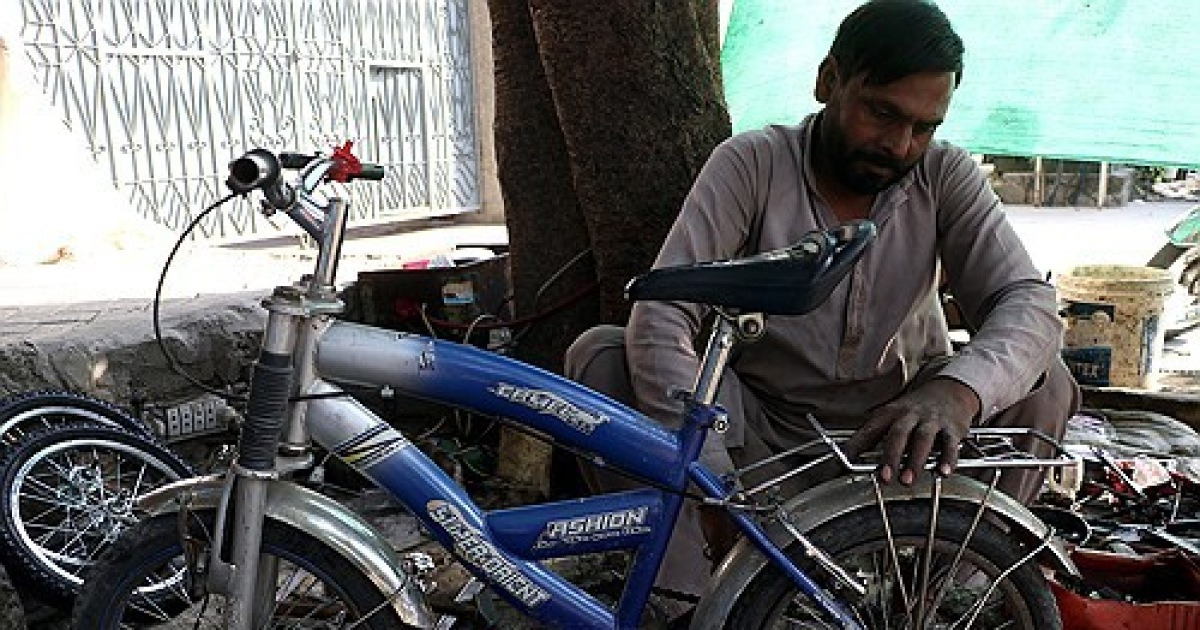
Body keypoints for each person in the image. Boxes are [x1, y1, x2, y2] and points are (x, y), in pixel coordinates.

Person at [564, 0, 1080, 601]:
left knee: (1046, 383)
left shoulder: (944, 176)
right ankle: (689, 599)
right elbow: (663, 312)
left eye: (923, 127)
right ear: (828, 81)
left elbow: (1028, 302)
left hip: (900, 446)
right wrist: (712, 481)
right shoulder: (752, 164)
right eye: (882, 113)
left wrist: (957, 392)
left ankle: (945, 597)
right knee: (603, 359)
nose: (899, 145)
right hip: (759, 446)